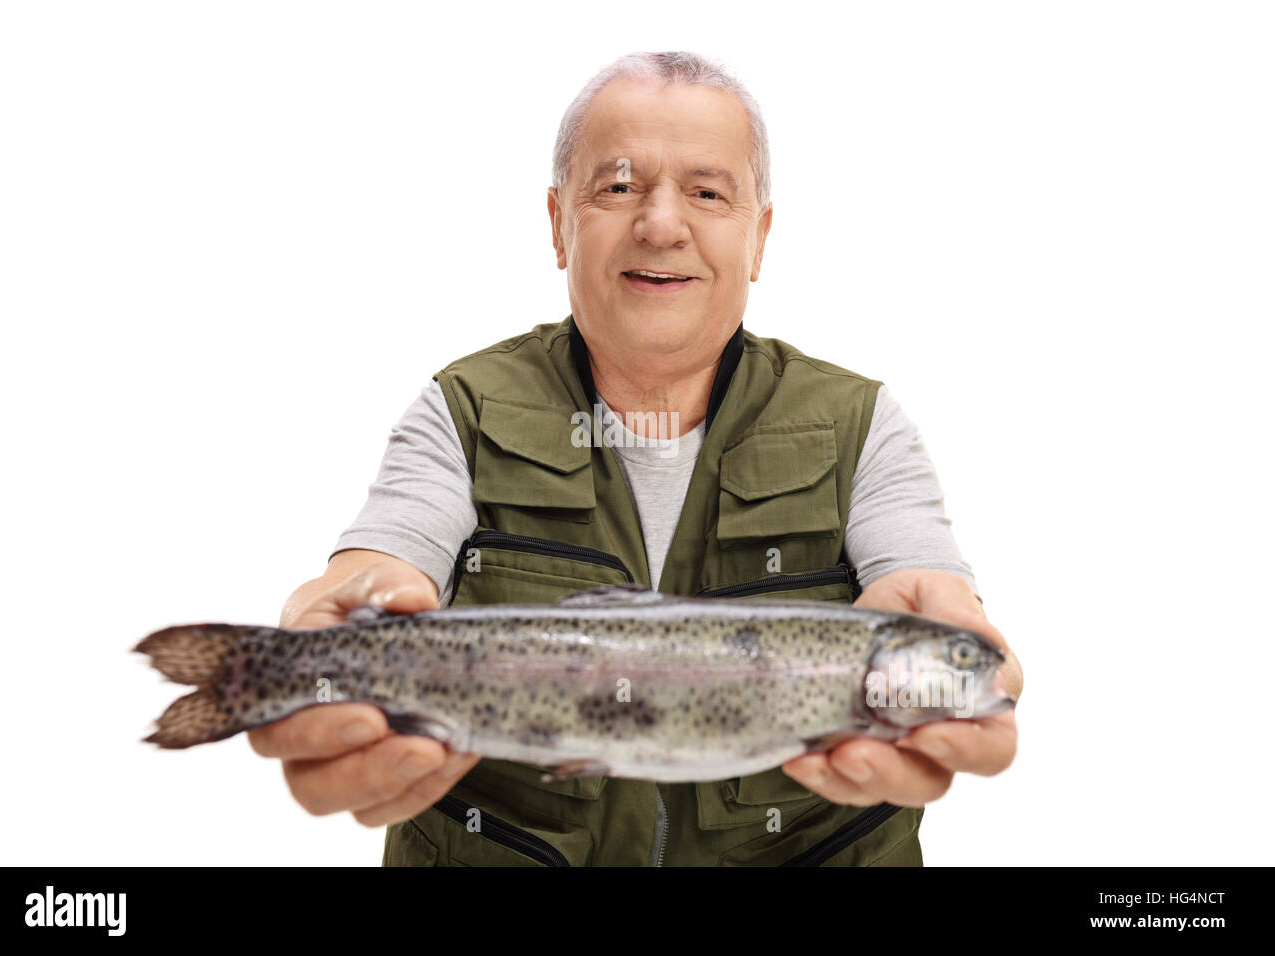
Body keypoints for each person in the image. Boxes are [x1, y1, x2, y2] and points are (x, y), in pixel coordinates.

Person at [250, 51, 1023, 866]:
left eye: (707, 192)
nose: (661, 223)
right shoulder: (461, 408)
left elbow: (949, 605)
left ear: (758, 236)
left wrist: (958, 636)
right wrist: (330, 624)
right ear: (558, 223)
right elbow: (381, 558)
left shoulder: (863, 423)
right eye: (618, 187)